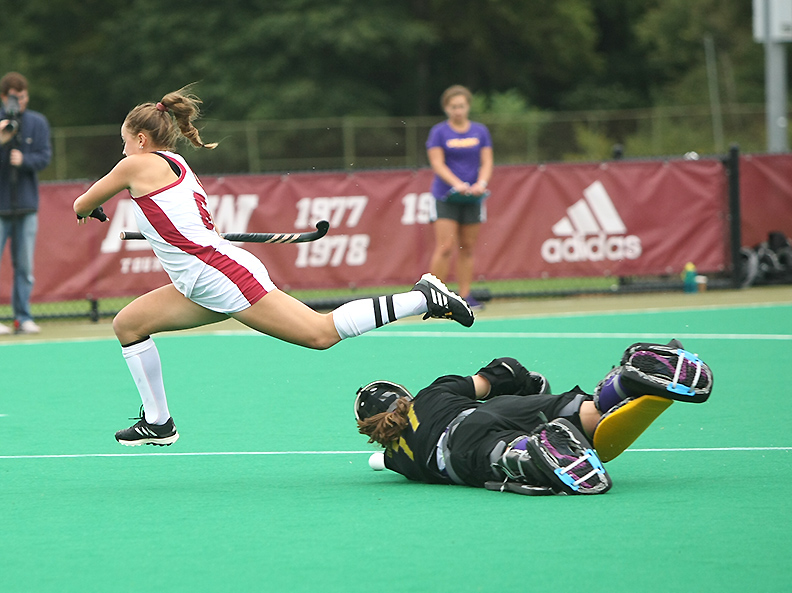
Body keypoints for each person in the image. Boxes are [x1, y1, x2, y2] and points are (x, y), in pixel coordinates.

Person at [73, 86, 475, 447]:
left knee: (319, 333)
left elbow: (81, 204)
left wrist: (92, 209)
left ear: (141, 140)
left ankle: (423, 298)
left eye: (125, 142)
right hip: (197, 280)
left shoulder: (136, 165)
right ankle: (159, 422)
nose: (123, 151)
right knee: (129, 325)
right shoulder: (176, 163)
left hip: (219, 276)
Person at [355, 340, 713, 495]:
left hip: (462, 450)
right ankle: (625, 384)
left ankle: (528, 453)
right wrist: (528, 386)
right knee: (584, 411)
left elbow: (386, 457)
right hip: (489, 411)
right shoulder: (432, 394)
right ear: (403, 395)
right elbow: (503, 370)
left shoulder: (397, 460)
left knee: (503, 454)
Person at [426, 85, 493, 310]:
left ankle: (465, 297)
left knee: (468, 247)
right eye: (453, 107)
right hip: (445, 197)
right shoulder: (438, 132)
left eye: (461, 106)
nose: (458, 111)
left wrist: (480, 184)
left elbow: (487, 162)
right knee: (445, 246)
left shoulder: (480, 131)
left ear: (468, 107)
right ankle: (433, 298)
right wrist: (457, 185)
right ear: (446, 108)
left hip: (473, 198)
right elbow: (437, 163)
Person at [0, 72, 52, 335]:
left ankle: (23, 317)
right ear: (3, 97)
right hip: (0, 206)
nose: (18, 103)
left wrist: (25, 160)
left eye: (22, 97)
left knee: (24, 266)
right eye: (13, 98)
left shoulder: (37, 122)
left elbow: (44, 157)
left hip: (26, 205)